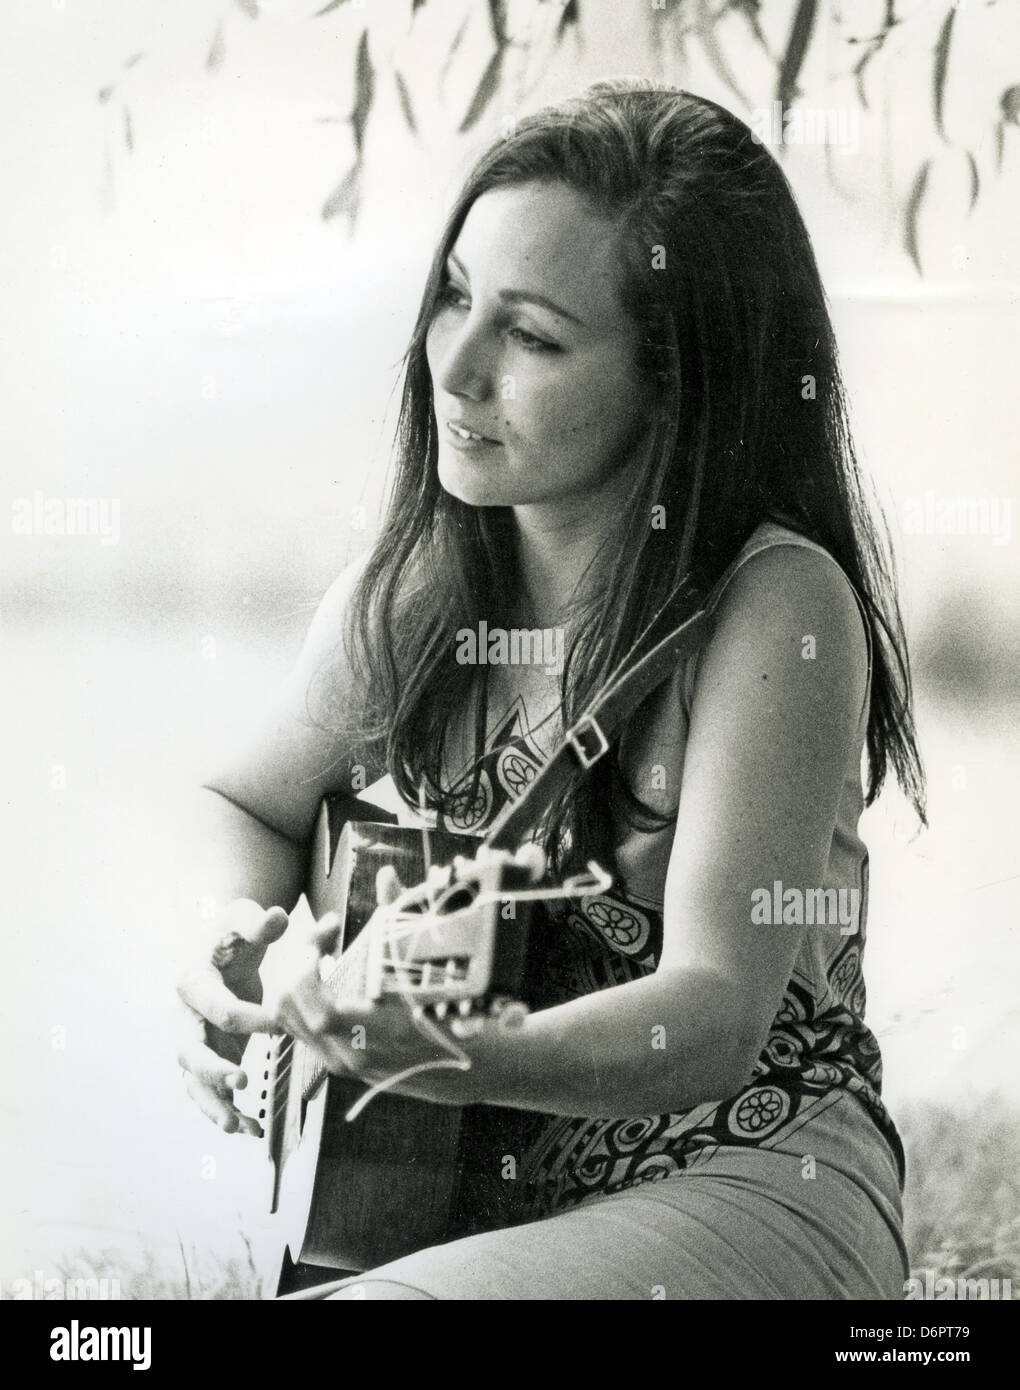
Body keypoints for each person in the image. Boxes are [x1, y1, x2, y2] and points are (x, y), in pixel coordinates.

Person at [176, 80, 926, 1300]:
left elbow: (715, 1011)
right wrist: (229, 948)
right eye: (456, 297)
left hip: (744, 1181)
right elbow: (246, 803)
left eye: (530, 336)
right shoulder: (421, 582)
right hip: (456, 1203)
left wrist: (440, 1057)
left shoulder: (777, 609)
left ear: (679, 379)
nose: (453, 365)